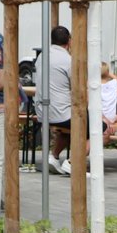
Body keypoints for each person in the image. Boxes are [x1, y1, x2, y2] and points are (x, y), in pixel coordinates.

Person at [40, 24, 75, 175]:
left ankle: (53, 157)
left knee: (68, 127)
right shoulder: (68, 60)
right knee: (97, 126)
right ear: (69, 41)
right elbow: (77, 88)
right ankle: (73, 162)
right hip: (61, 113)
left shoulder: (42, 56)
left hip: (42, 112)